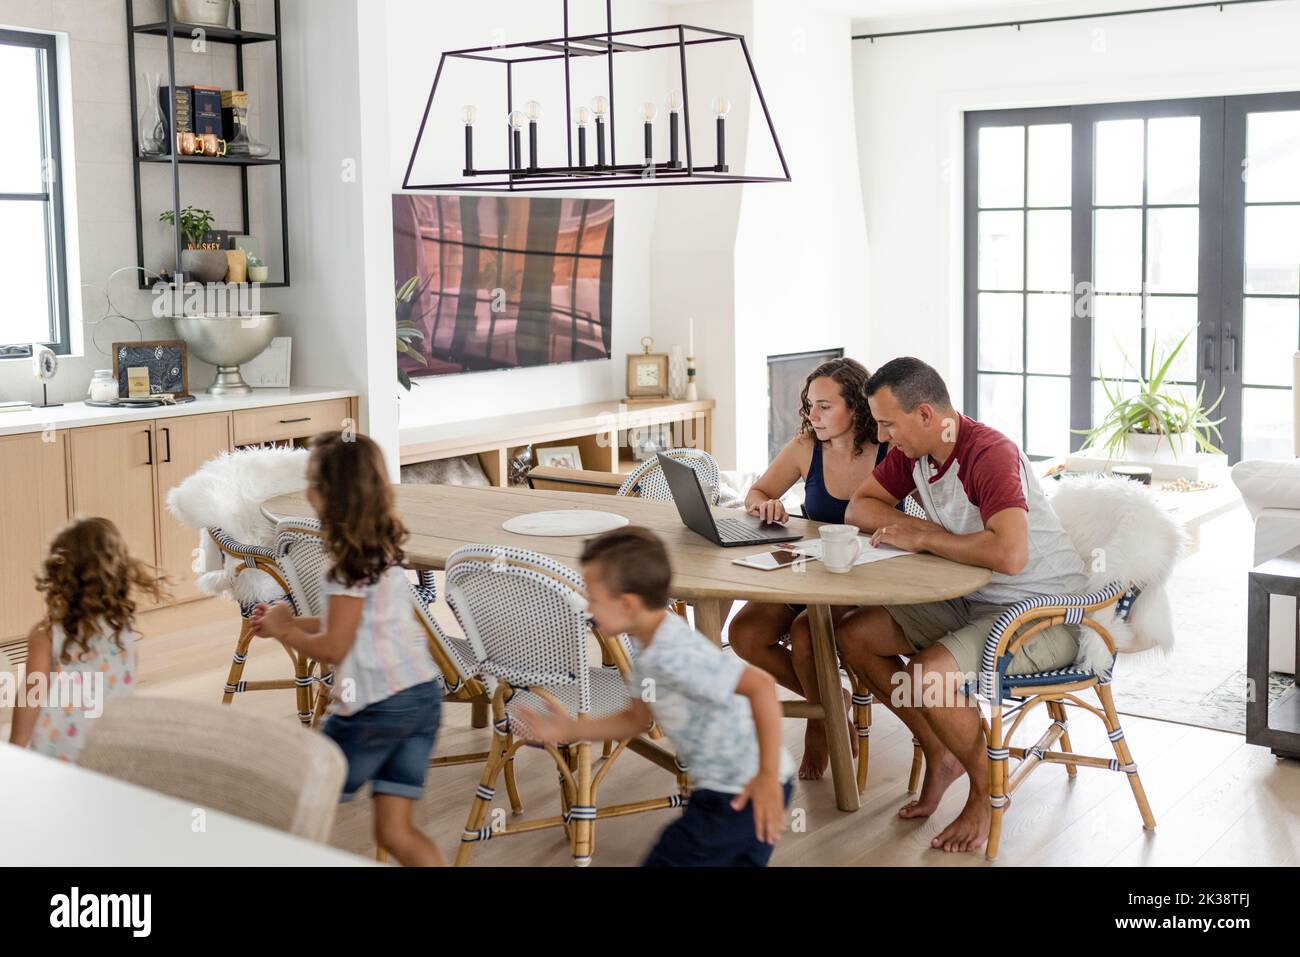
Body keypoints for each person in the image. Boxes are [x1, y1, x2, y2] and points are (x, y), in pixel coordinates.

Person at [838, 357, 1086, 854]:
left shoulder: (987, 452)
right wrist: (930, 536)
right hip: (972, 597)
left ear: (926, 414)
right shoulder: (915, 452)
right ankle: (941, 749)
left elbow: (1010, 555)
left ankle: (986, 790)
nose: (883, 437)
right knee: (854, 636)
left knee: (930, 675)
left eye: (888, 424)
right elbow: (858, 507)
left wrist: (926, 536)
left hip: (1042, 609)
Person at [518, 527, 796, 866]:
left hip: (742, 789)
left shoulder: (674, 652)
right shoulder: (645, 643)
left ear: (627, 604)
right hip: (744, 784)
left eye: (593, 597)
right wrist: (570, 731)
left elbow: (761, 687)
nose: (587, 607)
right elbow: (636, 719)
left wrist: (765, 777)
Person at [250, 432, 445, 866]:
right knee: (395, 831)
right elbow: (351, 625)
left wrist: (286, 632)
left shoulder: (343, 568)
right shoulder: (383, 554)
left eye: (313, 483)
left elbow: (336, 646)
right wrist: (286, 623)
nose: (306, 492)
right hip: (420, 699)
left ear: (328, 497)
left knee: (293, 801)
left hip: (375, 706)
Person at [729, 357, 887, 779]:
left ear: (855, 406)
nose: (812, 415)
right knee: (744, 634)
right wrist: (764, 503)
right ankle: (833, 707)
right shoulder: (805, 447)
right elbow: (758, 490)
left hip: (866, 577)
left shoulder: (891, 449)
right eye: (809, 405)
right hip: (808, 569)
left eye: (824, 406)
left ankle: (820, 725)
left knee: (805, 634)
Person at [9, 517, 163, 762]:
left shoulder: (47, 634)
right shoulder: (123, 627)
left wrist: (13, 752)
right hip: (114, 751)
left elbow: (31, 696)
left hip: (59, 754)